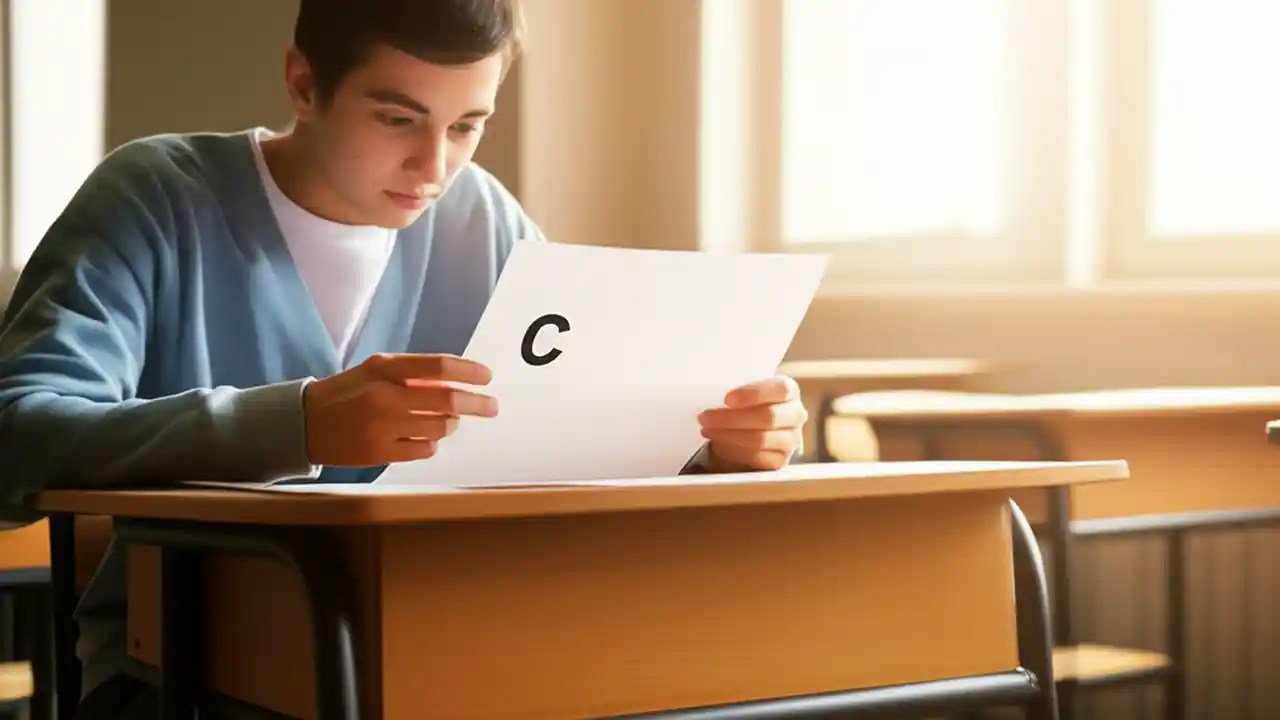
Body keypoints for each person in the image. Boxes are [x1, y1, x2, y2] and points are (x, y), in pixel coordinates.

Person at [0, 0, 807, 715]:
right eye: (397, 119)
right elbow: (18, 433)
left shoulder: (481, 218)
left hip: (446, 649)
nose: (435, 168)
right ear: (304, 84)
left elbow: (576, 425)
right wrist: (300, 423)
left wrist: (714, 445)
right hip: (181, 669)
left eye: (466, 127)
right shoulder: (156, 196)